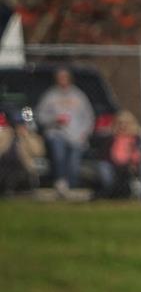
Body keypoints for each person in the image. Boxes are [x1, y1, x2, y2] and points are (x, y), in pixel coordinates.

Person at [35, 66, 94, 195]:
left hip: (77, 135)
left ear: (69, 79)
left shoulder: (79, 96)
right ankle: (60, 182)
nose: (63, 80)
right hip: (56, 132)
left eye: (65, 77)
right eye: (60, 78)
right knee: (58, 152)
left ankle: (71, 188)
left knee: (74, 163)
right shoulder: (50, 96)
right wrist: (54, 120)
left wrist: (84, 133)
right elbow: (40, 116)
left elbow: (89, 117)